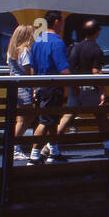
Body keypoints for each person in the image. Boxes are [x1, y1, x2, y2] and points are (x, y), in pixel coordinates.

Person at [29, 11, 70, 161]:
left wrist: (34, 86)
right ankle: (34, 155)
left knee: (52, 120)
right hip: (53, 87)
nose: (63, 25)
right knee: (45, 122)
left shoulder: (37, 41)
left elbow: (32, 67)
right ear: (57, 22)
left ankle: (54, 151)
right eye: (62, 22)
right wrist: (72, 82)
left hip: (40, 86)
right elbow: (64, 69)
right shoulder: (57, 42)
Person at [65, 18, 109, 148]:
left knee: (67, 118)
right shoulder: (96, 50)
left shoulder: (75, 47)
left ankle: (49, 146)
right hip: (90, 89)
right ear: (97, 32)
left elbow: (70, 68)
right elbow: (96, 72)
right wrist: (102, 92)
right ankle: (108, 146)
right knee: (101, 117)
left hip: (75, 87)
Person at [6, 24, 39, 163]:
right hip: (24, 88)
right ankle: (14, 147)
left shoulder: (11, 52)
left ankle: (13, 146)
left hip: (15, 87)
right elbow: (28, 70)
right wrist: (35, 87)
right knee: (25, 118)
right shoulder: (24, 50)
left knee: (23, 118)